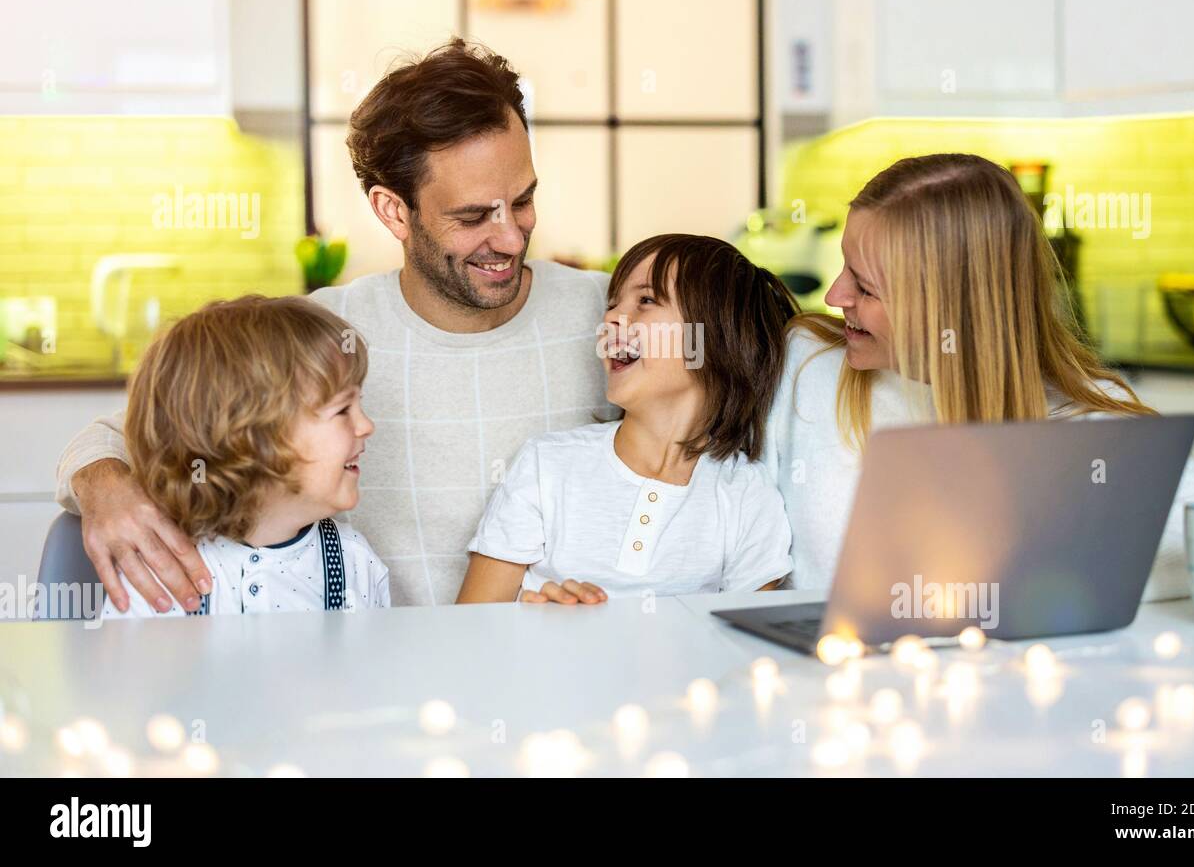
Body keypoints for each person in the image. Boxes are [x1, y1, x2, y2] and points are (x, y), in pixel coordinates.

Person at [56, 38, 616, 611]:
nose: (511, 238)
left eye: (521, 201)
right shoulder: (318, 339)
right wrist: (105, 487)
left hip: (553, 665)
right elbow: (120, 434)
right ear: (392, 210)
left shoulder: (615, 317)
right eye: (472, 216)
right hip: (371, 675)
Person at [762, 153, 1194, 599]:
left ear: (950, 306)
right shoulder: (804, 366)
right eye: (845, 267)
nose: (833, 294)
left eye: (864, 287)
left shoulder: (1085, 424)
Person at [456, 235, 798, 604]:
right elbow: (471, 627)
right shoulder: (548, 464)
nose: (611, 318)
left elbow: (748, 646)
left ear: (714, 339)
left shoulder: (746, 494)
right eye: (613, 304)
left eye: (646, 300)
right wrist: (534, 623)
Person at [102, 295, 387, 617]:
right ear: (253, 439)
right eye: (343, 410)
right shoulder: (158, 576)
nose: (367, 425)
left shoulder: (356, 563)